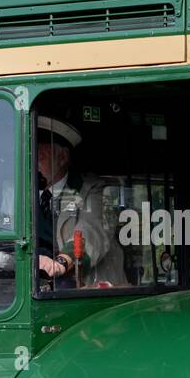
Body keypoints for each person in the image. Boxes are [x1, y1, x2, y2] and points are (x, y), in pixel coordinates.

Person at [36, 116, 127, 288]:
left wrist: (61, 262)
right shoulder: (16, 192)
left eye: (39, 156)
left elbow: (91, 229)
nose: (32, 164)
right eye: (28, 157)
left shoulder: (93, 190)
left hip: (90, 292)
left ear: (62, 157)